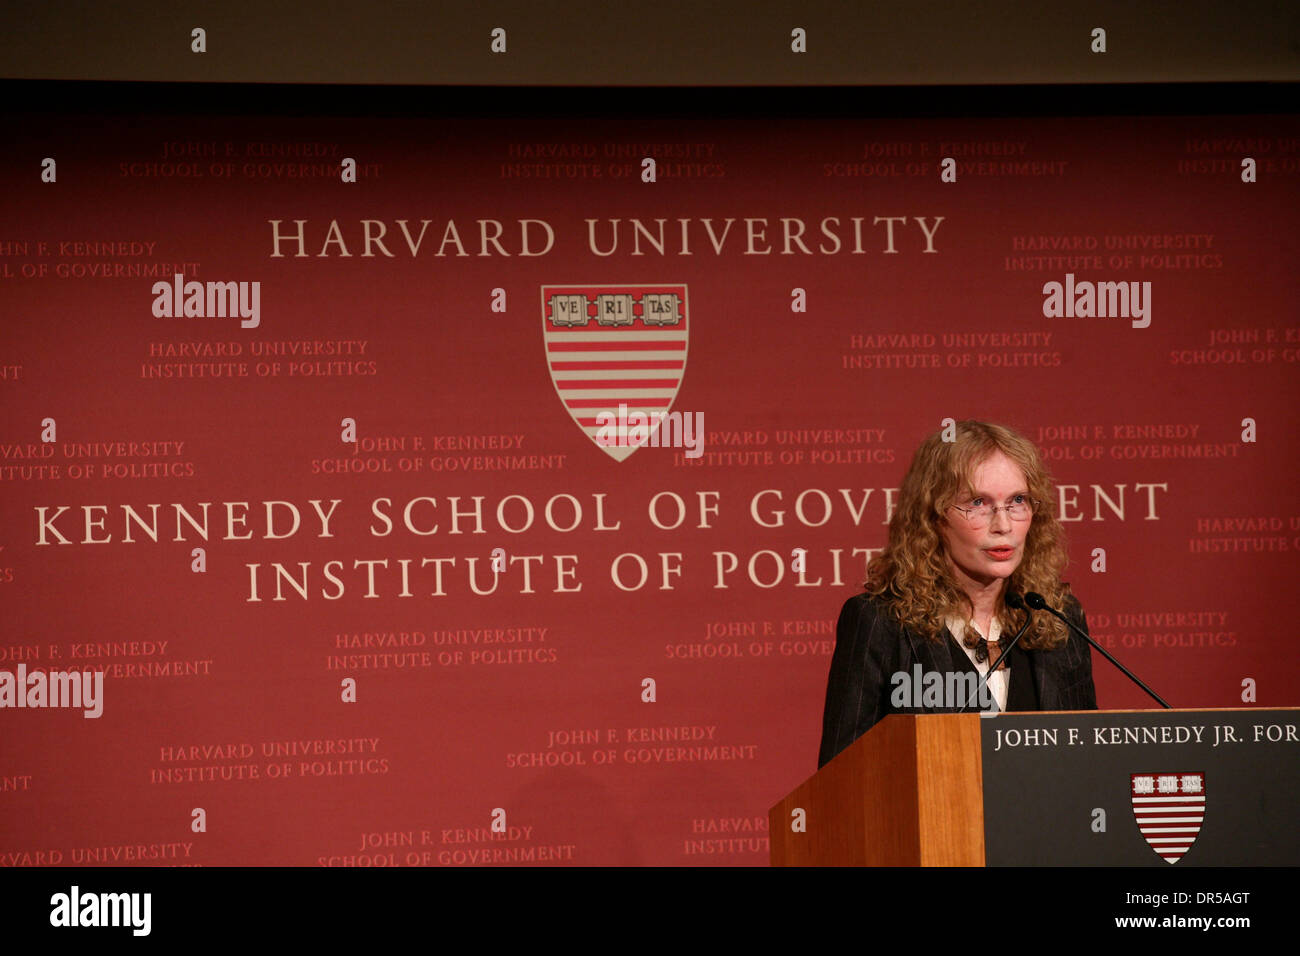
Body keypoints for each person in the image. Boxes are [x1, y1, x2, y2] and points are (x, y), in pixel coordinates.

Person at [817, 420, 1097, 768]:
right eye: (978, 502)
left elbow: (1088, 766)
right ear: (933, 516)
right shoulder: (882, 623)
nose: (1003, 525)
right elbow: (841, 777)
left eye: (1017, 501)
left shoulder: (1059, 617)